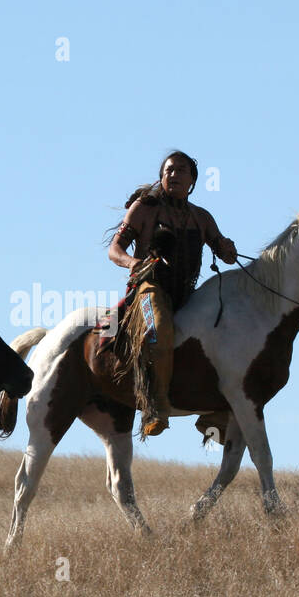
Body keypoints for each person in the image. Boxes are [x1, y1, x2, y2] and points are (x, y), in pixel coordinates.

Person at [107, 151, 237, 436]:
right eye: (168, 170)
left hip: (188, 294)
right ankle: (157, 407)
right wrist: (133, 263)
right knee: (161, 328)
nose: (173, 175)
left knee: (229, 329)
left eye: (180, 171)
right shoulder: (144, 209)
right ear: (161, 176)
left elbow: (223, 252)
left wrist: (228, 249)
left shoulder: (202, 218)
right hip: (151, 288)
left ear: (192, 180)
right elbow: (114, 250)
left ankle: (216, 411)